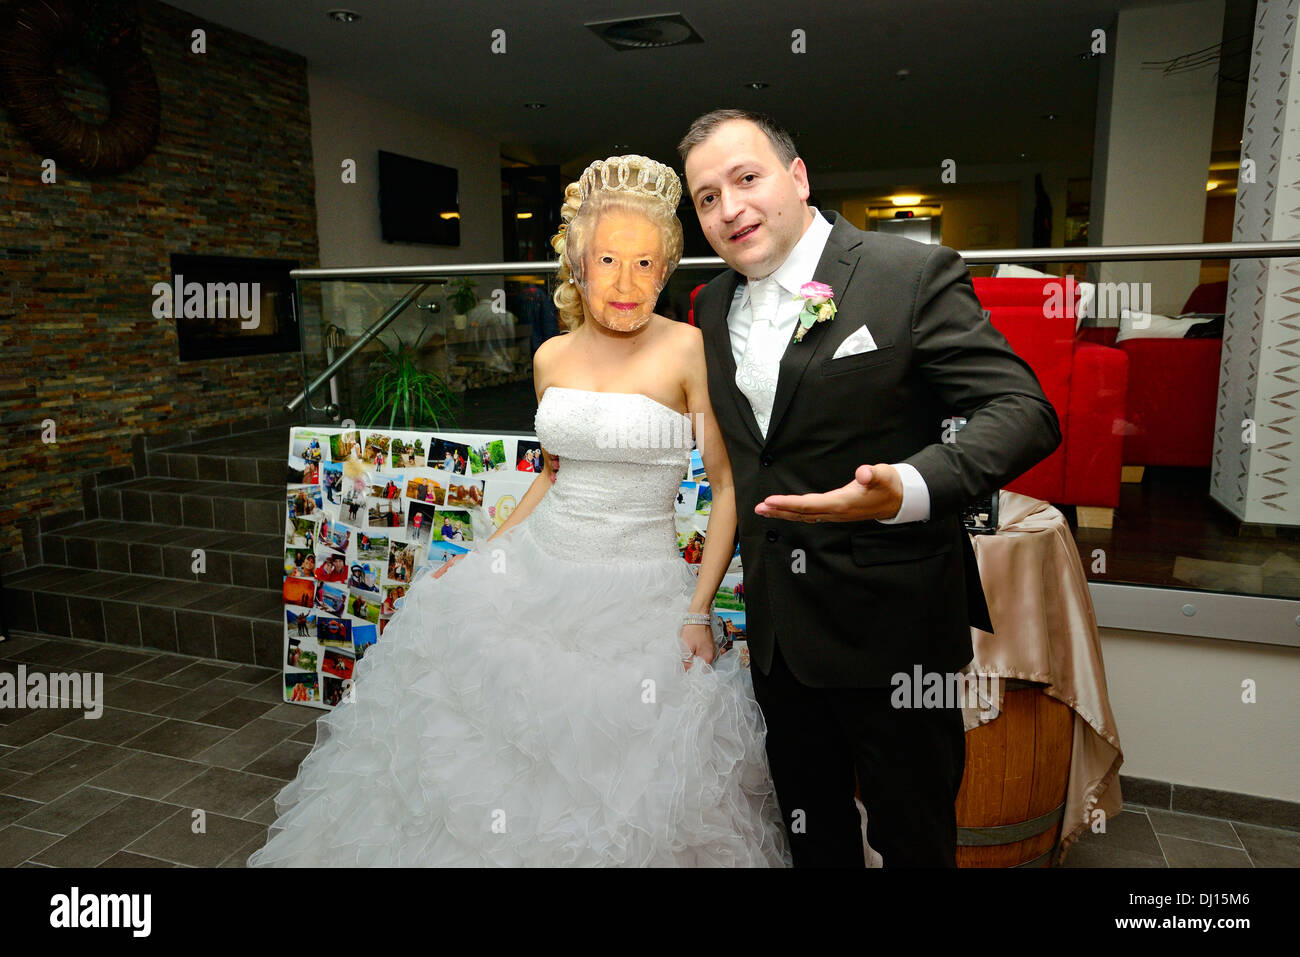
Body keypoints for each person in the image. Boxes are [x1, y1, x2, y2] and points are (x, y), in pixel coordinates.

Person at [248, 154, 787, 867]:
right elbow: (549, 477)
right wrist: (482, 555)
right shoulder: (552, 356)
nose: (625, 283)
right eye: (607, 260)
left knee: (622, 790)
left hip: (638, 596)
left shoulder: (690, 350)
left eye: (646, 263)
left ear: (665, 271)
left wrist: (696, 611)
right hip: (536, 572)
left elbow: (726, 488)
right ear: (577, 265)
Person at [678, 109, 1062, 867]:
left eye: (746, 178)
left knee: (914, 842)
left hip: (894, 632)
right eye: (707, 198)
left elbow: (1023, 411)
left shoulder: (907, 274)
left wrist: (913, 484)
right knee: (812, 840)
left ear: (797, 177)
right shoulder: (712, 304)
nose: (730, 208)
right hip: (781, 641)